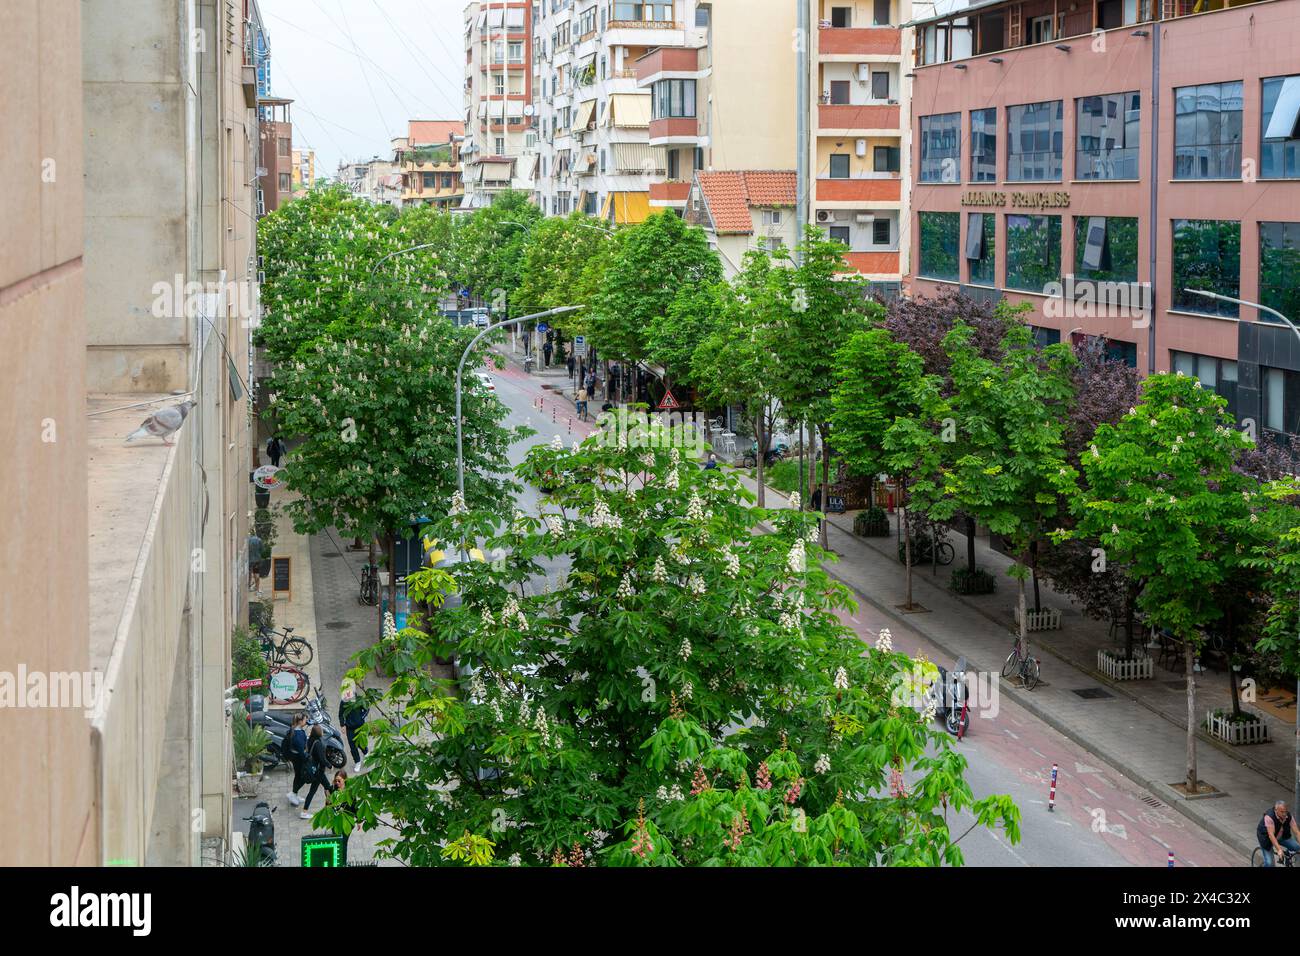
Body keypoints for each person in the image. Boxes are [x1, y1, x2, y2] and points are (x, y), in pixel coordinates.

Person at [300, 724, 336, 819]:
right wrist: (330, 765)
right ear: (319, 732)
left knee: (319, 790)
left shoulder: (310, 740)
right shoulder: (318, 744)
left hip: (315, 770)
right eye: (322, 730)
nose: (323, 731)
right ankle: (330, 808)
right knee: (327, 788)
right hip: (318, 771)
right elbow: (321, 759)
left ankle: (327, 807)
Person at [338, 682, 369, 773]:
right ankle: (357, 762)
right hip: (349, 727)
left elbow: (367, 709)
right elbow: (340, 714)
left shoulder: (360, 700)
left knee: (361, 743)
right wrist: (342, 725)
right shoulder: (344, 701)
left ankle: (366, 753)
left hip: (360, 726)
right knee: (352, 746)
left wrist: (361, 717)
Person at [1257, 800, 1299, 866]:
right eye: (1282, 812)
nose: (1284, 814)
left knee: (1297, 847)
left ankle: (1287, 856)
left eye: (1285, 811)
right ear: (1276, 810)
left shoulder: (1289, 816)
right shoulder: (1269, 817)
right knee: (1270, 863)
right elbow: (1271, 835)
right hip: (1267, 839)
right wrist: (1279, 849)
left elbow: (1297, 832)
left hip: (1282, 836)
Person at [282, 712, 308, 807]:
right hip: (299, 759)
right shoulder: (298, 734)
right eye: (305, 720)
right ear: (300, 721)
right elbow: (301, 750)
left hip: (295, 758)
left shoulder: (294, 730)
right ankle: (293, 794)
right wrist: (306, 758)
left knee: (298, 776)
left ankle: (295, 794)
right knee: (303, 777)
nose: (306, 721)